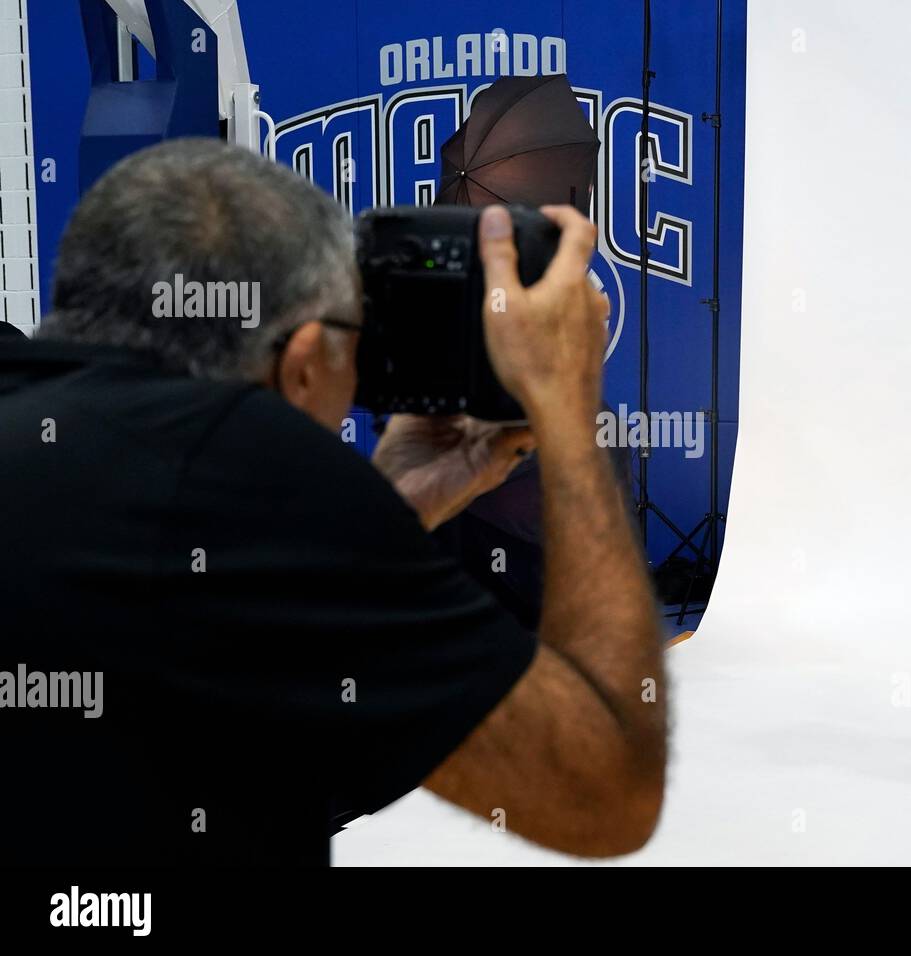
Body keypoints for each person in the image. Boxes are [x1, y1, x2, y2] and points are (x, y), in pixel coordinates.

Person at [0, 138, 666, 864]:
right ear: (304, 362)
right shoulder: (254, 477)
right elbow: (603, 791)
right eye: (355, 337)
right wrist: (568, 417)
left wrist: (388, 516)